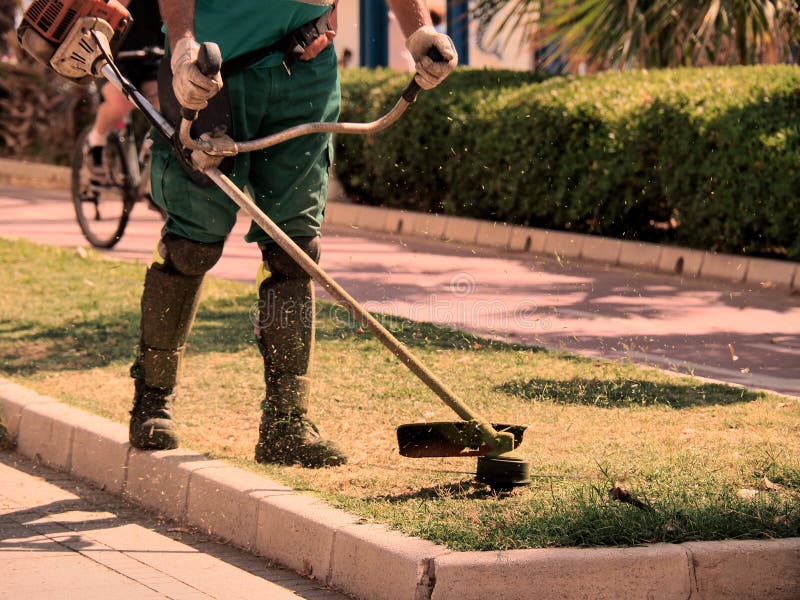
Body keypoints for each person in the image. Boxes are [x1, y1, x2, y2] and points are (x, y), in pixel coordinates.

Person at [130, 0, 457, 468]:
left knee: (295, 251)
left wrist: (419, 32)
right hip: (213, 74)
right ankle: (152, 399)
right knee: (192, 246)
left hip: (304, 75)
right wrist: (182, 44)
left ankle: (286, 423)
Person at [85, 0, 164, 180]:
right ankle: (95, 141)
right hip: (112, 56)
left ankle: (152, 160)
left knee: (163, 101)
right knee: (121, 102)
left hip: (151, 55)